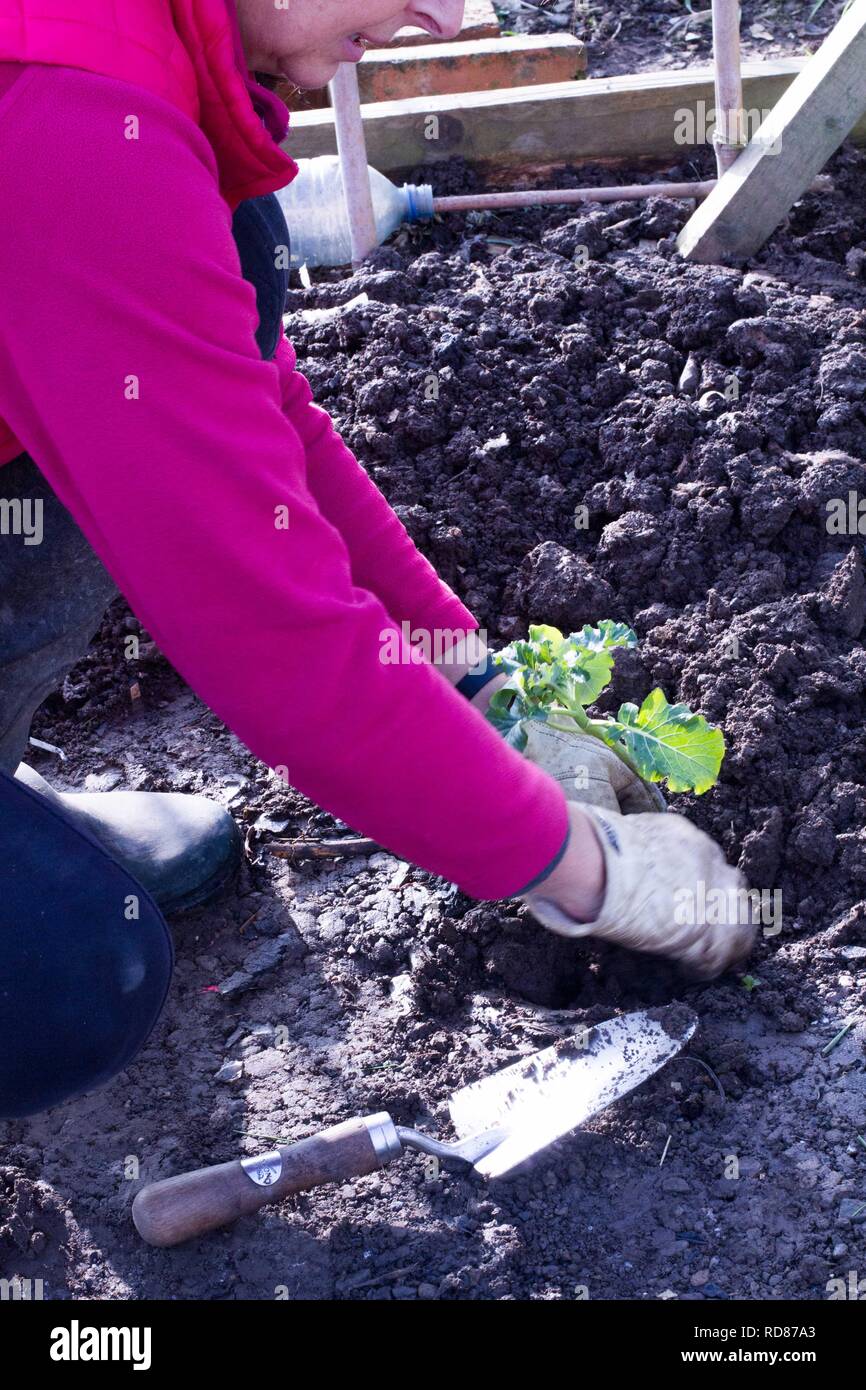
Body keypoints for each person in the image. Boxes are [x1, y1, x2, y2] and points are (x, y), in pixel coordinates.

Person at [0, 1, 753, 1118]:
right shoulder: (70, 122)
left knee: (130, 413)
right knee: (69, 984)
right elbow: (274, 636)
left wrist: (474, 677)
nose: (440, 15)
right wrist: (584, 868)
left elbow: (258, 417)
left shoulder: (165, 75)